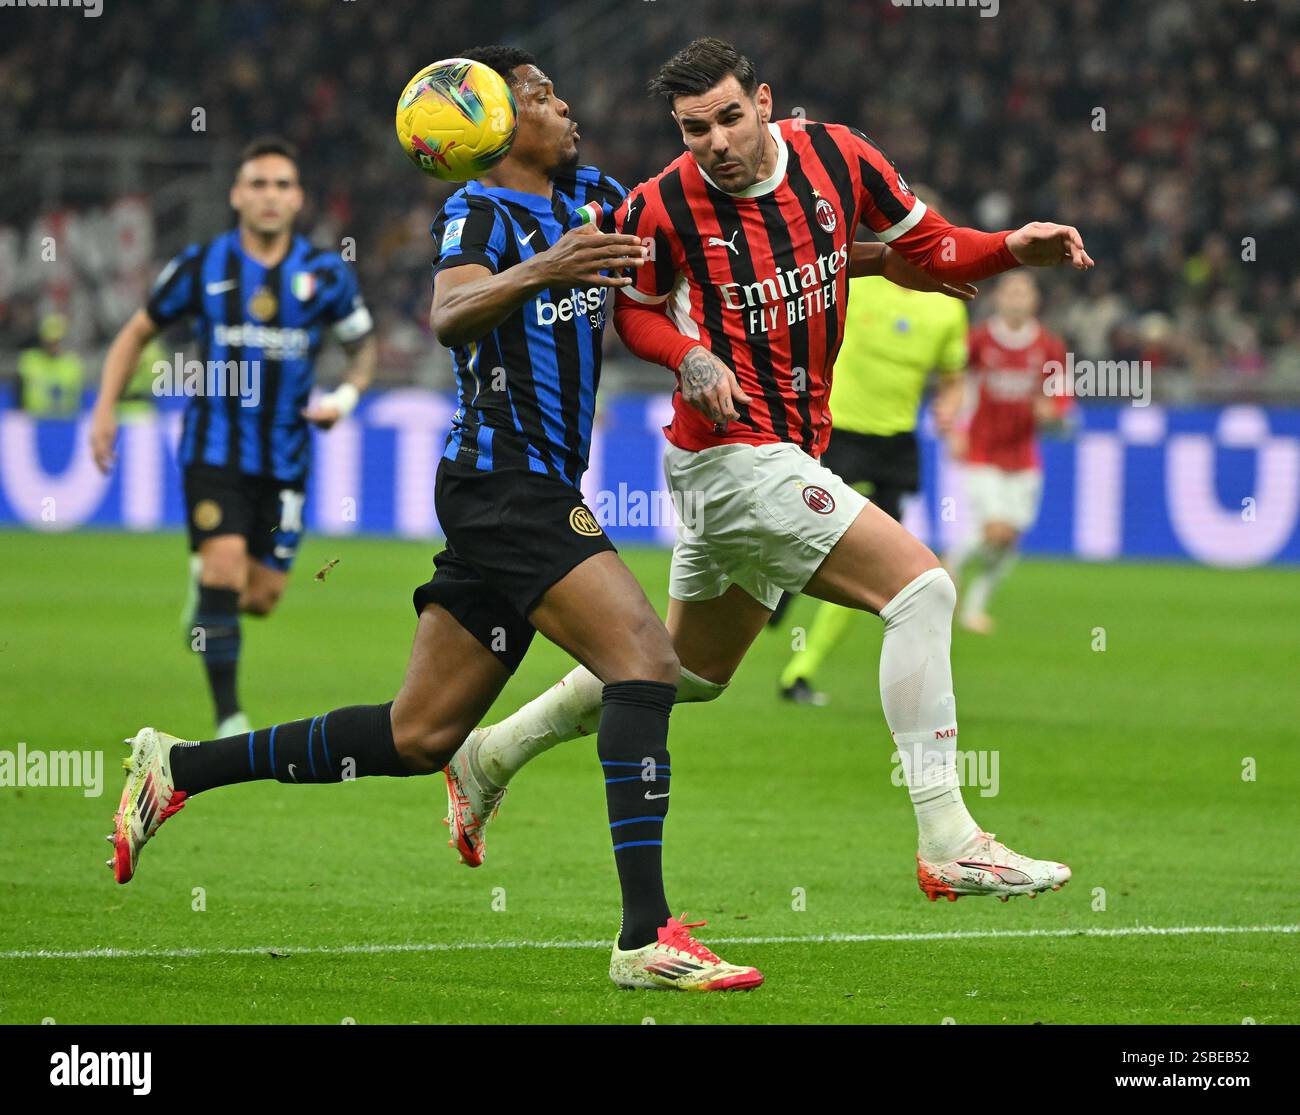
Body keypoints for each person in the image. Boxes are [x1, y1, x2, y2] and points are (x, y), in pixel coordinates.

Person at [106, 46, 762, 993]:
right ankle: (644, 935)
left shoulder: (593, 195)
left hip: (517, 490)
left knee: (417, 736)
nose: (565, 103)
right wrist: (548, 267)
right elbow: (450, 312)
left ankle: (179, 767)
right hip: (507, 489)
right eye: (540, 94)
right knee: (645, 663)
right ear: (491, 123)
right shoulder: (482, 211)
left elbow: (690, 232)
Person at [446, 37, 1091, 904]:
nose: (713, 140)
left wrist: (1013, 244)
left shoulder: (837, 156)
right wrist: (688, 356)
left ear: (764, 101)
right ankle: (949, 838)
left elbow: (931, 249)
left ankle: (489, 753)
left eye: (727, 117)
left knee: (686, 674)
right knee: (921, 590)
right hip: (727, 457)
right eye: (692, 129)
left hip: (782, 450)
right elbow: (634, 316)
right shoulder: (661, 203)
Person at [89, 137, 378, 736]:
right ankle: (230, 719)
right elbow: (135, 331)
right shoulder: (201, 265)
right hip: (214, 445)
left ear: (297, 198)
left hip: (288, 454)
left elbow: (362, 349)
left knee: (260, 597)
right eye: (257, 184)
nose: (269, 196)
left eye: (281, 185)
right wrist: (104, 408)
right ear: (236, 194)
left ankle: (207, 598)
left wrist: (346, 398)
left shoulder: (325, 274)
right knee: (223, 568)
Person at [777, 189, 969, 704]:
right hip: (837, 429)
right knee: (794, 536)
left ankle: (800, 669)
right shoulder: (864, 280)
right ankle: (778, 591)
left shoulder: (947, 309)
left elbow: (952, 376)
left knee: (874, 561)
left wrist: (950, 404)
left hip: (894, 442)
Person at [945, 272, 1069, 634]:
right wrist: (956, 430)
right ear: (999, 298)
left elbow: (1059, 392)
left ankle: (973, 608)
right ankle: (949, 564)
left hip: (1024, 455)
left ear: (1035, 301)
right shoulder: (980, 340)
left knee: (1010, 538)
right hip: (983, 451)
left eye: (1024, 292)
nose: (1017, 299)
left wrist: (1054, 410)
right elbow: (956, 382)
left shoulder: (1047, 345)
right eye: (1010, 292)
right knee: (996, 530)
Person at [18, 313, 83, 418]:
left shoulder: (72, 364)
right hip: (34, 420)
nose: (53, 346)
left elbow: (78, 399)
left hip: (65, 421)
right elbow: (18, 394)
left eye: (56, 341)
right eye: (49, 342)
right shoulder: (30, 361)